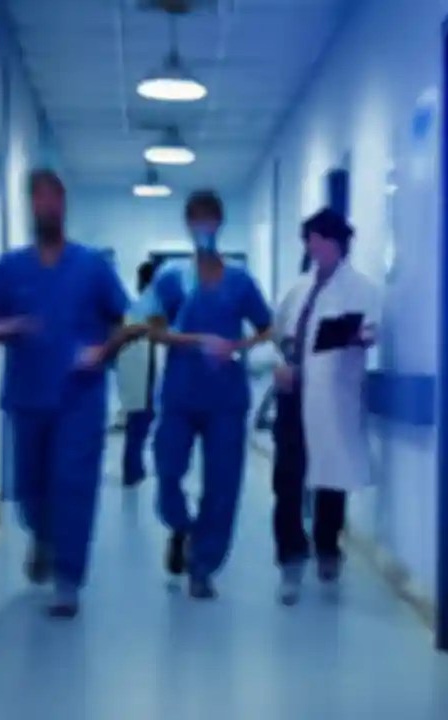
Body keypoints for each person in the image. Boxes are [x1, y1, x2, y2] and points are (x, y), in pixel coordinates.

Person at [0, 169, 145, 618]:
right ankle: (43, 537)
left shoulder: (92, 267)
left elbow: (126, 324)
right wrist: (6, 328)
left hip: (80, 400)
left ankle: (68, 580)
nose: (47, 206)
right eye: (39, 198)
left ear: (64, 204)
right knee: (30, 490)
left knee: (74, 487)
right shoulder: (8, 271)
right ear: (30, 205)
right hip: (27, 398)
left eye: (55, 198)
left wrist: (102, 350)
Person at [143, 190, 274, 599]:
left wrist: (236, 348)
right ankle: (181, 526)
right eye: (195, 219)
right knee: (167, 471)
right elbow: (152, 328)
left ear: (220, 224)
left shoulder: (239, 281)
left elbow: (269, 327)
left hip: (225, 399)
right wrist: (195, 339)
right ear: (187, 225)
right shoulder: (170, 278)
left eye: (209, 219)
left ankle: (203, 565)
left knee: (223, 484)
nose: (203, 227)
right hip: (180, 394)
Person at [271, 209, 379, 605]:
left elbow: (370, 330)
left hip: (332, 395)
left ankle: (328, 548)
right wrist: (283, 360)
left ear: (334, 241)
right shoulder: (299, 288)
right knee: (287, 479)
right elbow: (282, 331)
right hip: (292, 395)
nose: (309, 246)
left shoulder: (360, 289)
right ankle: (290, 559)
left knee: (330, 478)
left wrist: (361, 337)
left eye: (314, 238)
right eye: (307, 240)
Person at [117, 260, 161, 487]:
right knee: (138, 424)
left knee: (140, 423)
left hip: (145, 377)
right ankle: (132, 471)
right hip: (142, 378)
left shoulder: (140, 309)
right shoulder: (143, 310)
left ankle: (135, 469)